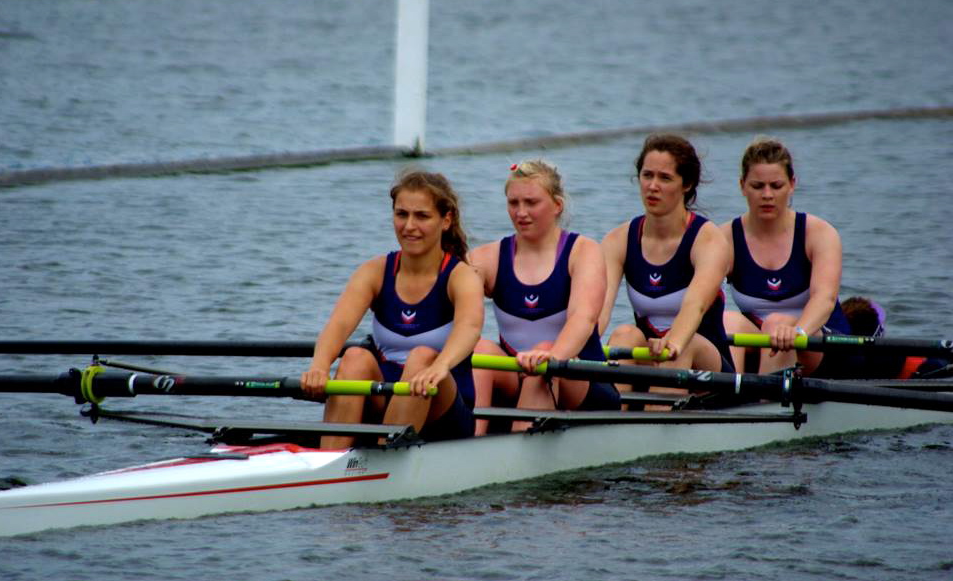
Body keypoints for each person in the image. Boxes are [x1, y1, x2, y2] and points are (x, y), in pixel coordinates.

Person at [300, 170, 484, 448]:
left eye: (422, 216)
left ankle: (382, 458)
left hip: (444, 407)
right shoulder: (374, 271)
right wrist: (319, 366)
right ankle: (330, 462)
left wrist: (440, 366)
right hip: (386, 397)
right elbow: (337, 326)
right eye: (402, 215)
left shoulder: (461, 276)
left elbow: (469, 328)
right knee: (354, 357)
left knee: (422, 357)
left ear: (445, 220)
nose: (409, 226)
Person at [469, 159, 620, 435]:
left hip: (583, 383)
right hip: (517, 378)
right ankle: (466, 445)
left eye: (531, 202)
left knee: (543, 357)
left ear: (557, 205)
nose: (521, 213)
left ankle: (514, 458)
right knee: (478, 348)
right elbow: (449, 310)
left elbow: (583, 319)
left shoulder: (583, 252)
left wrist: (552, 355)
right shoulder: (486, 258)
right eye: (513, 203)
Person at [599, 134, 734, 403]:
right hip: (652, 362)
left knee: (681, 347)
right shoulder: (618, 240)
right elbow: (597, 311)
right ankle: (611, 422)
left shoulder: (708, 239)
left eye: (665, 178)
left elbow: (695, 305)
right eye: (647, 175)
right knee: (625, 334)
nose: (652, 186)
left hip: (708, 368)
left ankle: (653, 428)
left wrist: (673, 342)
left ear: (687, 184)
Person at [720, 137, 851, 377]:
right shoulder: (725, 238)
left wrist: (798, 332)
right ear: (742, 186)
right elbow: (699, 298)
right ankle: (727, 399)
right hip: (763, 339)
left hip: (819, 341)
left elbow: (824, 299)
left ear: (792, 184)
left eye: (776, 186)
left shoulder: (819, 233)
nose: (767, 195)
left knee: (776, 323)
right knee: (728, 320)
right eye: (757, 186)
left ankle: (770, 406)